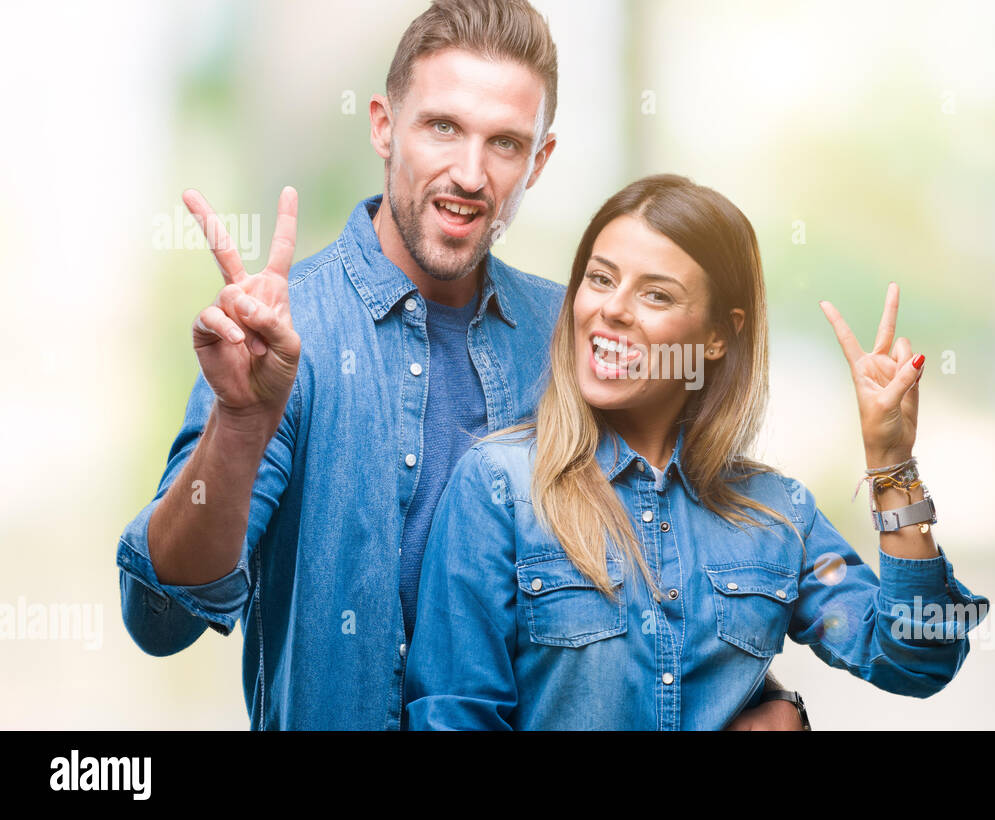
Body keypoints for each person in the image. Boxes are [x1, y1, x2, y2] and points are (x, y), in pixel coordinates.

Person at [116, 0, 802, 730]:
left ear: (538, 160)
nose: (470, 174)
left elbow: (681, 572)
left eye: (505, 143)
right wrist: (242, 423)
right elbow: (160, 619)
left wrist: (769, 705)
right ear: (385, 126)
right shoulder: (284, 334)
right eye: (443, 127)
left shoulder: (583, 339)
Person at [404, 174, 991, 730]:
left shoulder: (775, 513)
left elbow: (918, 657)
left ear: (718, 335)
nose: (611, 309)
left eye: (656, 294)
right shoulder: (501, 486)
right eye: (600, 278)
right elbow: (453, 713)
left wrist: (892, 464)